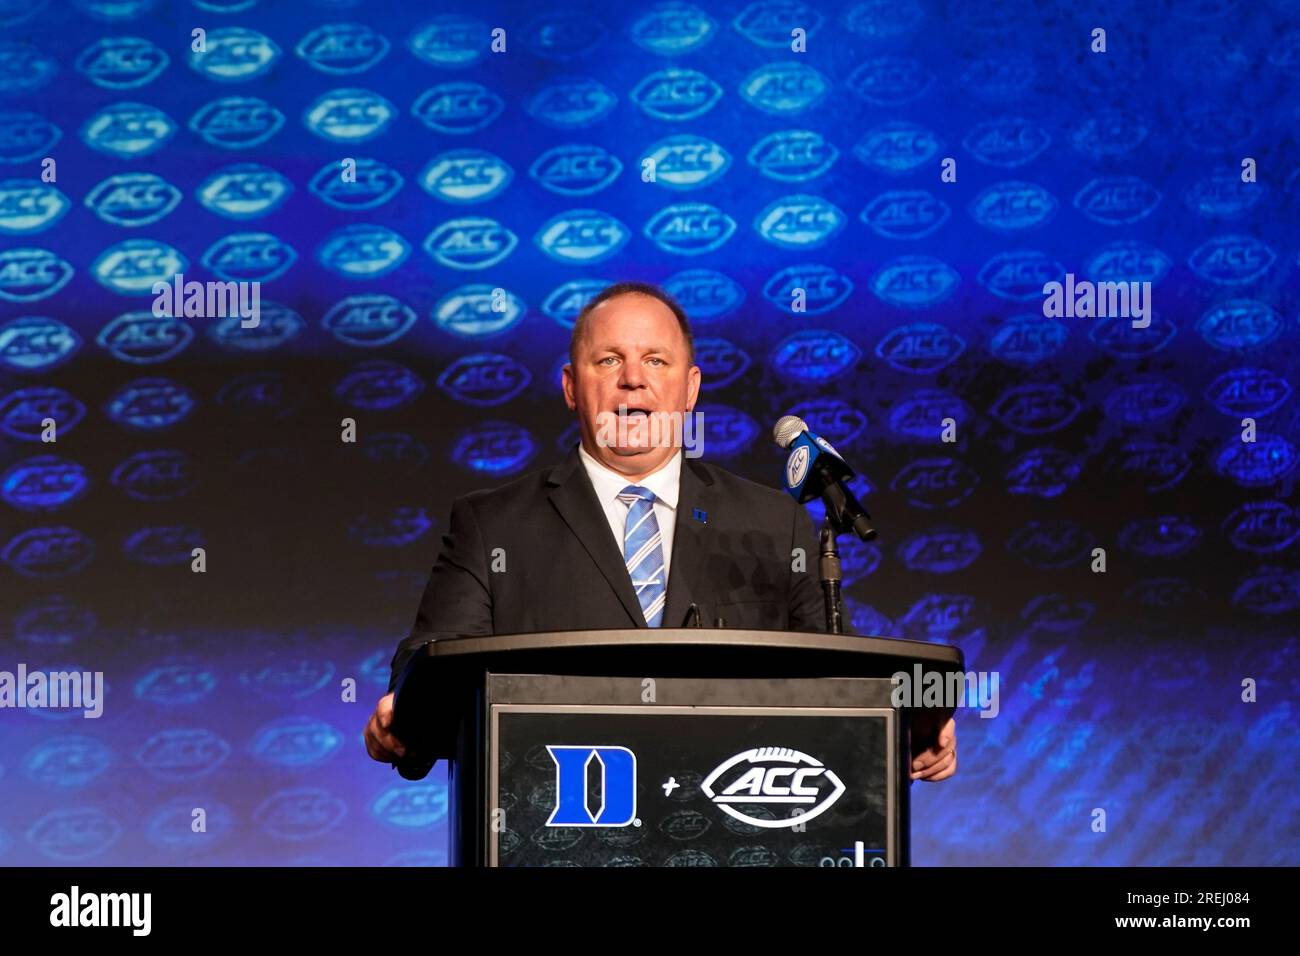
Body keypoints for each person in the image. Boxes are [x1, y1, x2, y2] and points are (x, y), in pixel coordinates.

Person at [364, 281, 956, 782]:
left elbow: (840, 687)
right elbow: (429, 670)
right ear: (572, 386)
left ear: (690, 388)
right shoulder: (491, 523)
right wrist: (403, 723)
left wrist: (906, 727)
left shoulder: (777, 525)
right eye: (608, 360)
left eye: (655, 360)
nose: (632, 380)